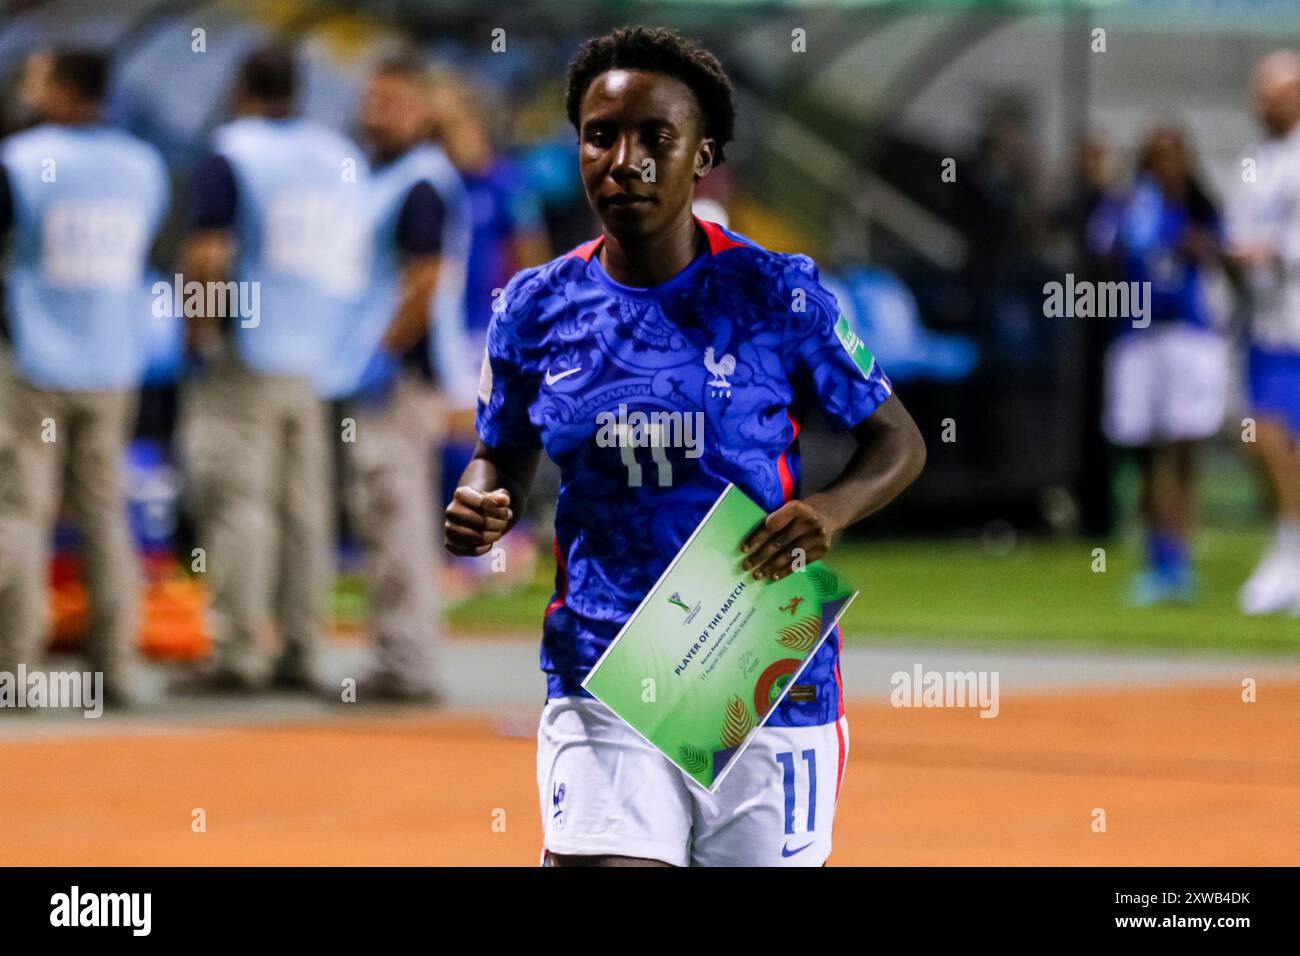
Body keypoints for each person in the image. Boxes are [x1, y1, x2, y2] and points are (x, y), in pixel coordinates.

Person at [444, 27, 925, 867]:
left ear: (702, 156)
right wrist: (485, 497)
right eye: (600, 135)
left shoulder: (778, 292)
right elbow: (504, 451)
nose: (623, 159)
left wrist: (828, 511)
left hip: (760, 673)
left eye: (655, 139)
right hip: (603, 667)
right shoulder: (534, 305)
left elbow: (897, 442)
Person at [179, 46, 366, 692]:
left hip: (249, 351)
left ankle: (237, 650)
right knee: (304, 508)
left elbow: (209, 254)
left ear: (240, 85)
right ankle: (301, 646)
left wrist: (200, 332)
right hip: (318, 356)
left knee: (238, 501)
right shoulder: (338, 158)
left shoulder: (235, 151)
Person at [0, 49, 169, 705]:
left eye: (39, 78)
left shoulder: (21, 160)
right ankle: (116, 666)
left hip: (35, 361)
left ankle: (14, 664)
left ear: (65, 89)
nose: (29, 89)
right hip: (113, 361)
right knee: (104, 514)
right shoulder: (142, 164)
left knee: (20, 509)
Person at [322, 55, 472, 701]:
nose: (375, 115)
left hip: (401, 377)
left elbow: (425, 279)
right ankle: (397, 652)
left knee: (397, 516)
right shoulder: (385, 178)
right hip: (373, 370)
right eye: (372, 101)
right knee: (384, 517)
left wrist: (386, 350)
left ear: (424, 110)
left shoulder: (421, 183)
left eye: (392, 103)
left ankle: (407, 662)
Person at [1092, 126, 1227, 605]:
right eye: (1157, 157)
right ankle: (1159, 557)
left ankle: (1182, 556)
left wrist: (1189, 239)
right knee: (1145, 450)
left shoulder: (1198, 208)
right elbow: (1101, 250)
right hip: (1137, 337)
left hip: (1187, 334)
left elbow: (1222, 255)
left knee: (1185, 445)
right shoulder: (1129, 205)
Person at [1225, 51, 1300, 616]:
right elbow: (1239, 234)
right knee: (1257, 432)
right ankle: (1288, 546)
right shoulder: (1254, 160)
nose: (1262, 103)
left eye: (1273, 92)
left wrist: (1272, 252)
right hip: (1269, 326)